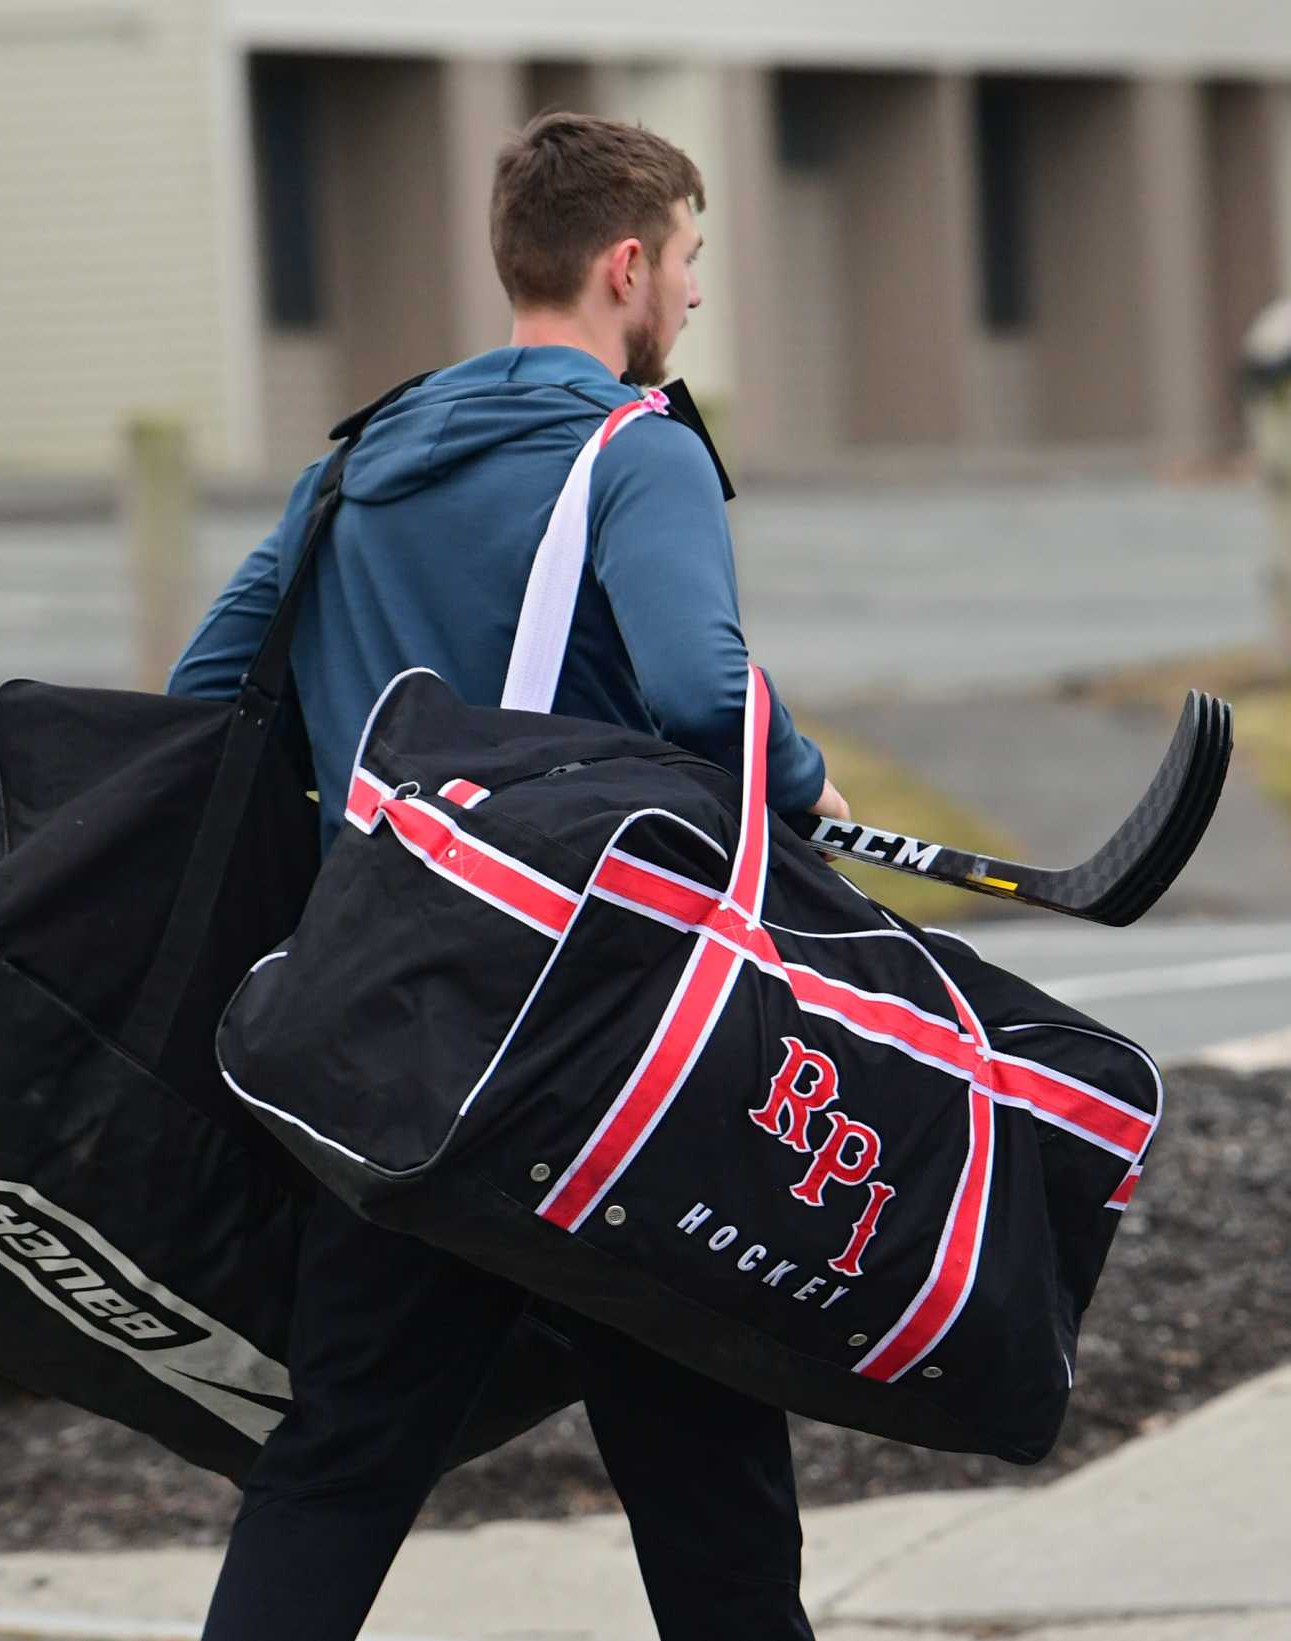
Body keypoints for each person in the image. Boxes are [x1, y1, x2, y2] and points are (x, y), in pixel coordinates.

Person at [170, 110, 848, 1641]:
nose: (689, 297)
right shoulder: (637, 448)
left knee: (338, 1463)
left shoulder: (353, 469)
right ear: (625, 266)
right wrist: (807, 783)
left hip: (382, 1046)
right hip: (600, 1060)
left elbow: (205, 694)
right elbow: (700, 687)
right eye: (687, 262)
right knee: (708, 1493)